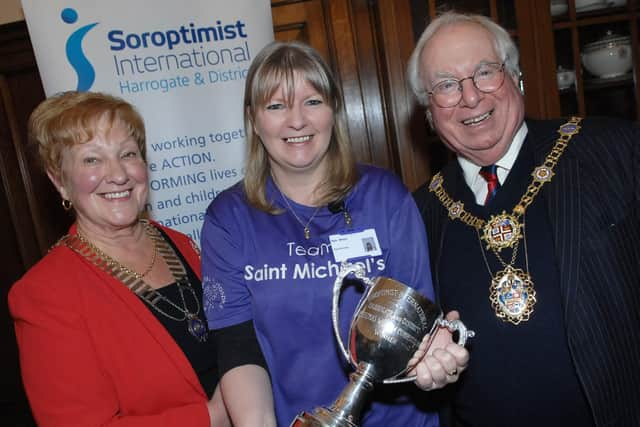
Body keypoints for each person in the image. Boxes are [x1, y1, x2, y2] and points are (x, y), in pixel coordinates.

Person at [201, 41, 470, 427]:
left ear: (334, 109)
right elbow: (238, 347)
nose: (297, 121)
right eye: (276, 106)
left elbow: (418, 323)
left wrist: (438, 354)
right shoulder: (228, 218)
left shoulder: (384, 196)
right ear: (254, 120)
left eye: (312, 102)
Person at [408, 11, 640, 427]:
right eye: (446, 85)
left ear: (515, 76)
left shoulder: (612, 151)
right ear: (429, 110)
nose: (471, 97)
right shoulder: (419, 213)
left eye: (484, 72)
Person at [9, 91, 230, 427]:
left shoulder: (178, 242)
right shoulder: (43, 294)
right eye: (92, 160)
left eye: (127, 154)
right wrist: (212, 416)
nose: (118, 174)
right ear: (60, 181)